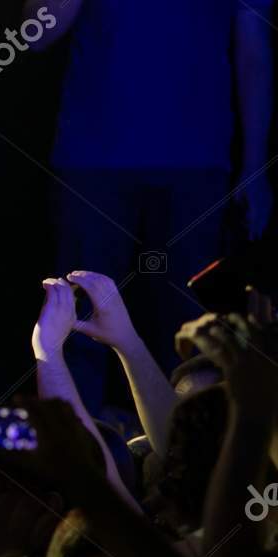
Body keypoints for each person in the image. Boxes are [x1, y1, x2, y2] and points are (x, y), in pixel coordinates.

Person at [29, 0, 275, 411]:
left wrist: (255, 166)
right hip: (93, 160)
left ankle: (184, 463)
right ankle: (76, 463)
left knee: (191, 336)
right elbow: (36, 35)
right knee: (78, 324)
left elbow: (254, 47)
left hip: (197, 163)